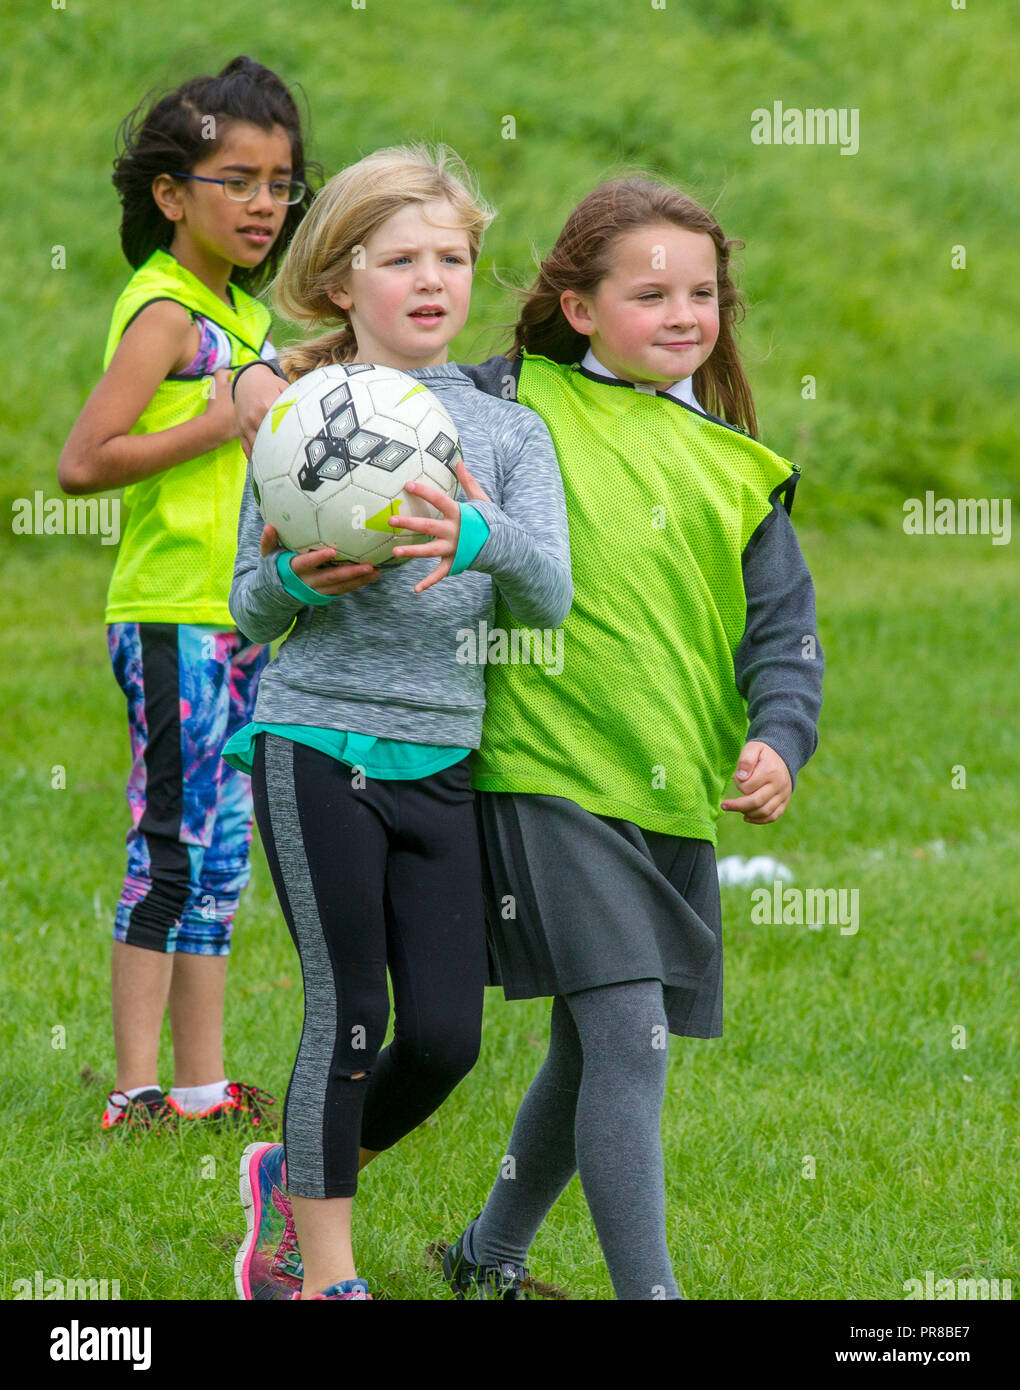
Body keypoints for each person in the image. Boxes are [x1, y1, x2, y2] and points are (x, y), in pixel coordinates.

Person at [233, 174, 824, 1301]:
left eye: (704, 293)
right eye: (651, 291)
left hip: (646, 780)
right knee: (613, 1031)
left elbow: (779, 631)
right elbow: (349, 390)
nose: (686, 313)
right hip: (528, 769)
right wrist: (262, 383)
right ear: (579, 306)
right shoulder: (508, 396)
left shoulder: (716, 461)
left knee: (545, 1039)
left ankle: (481, 1249)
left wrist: (781, 737)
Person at [226, 143, 571, 1301]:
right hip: (315, 738)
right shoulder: (300, 416)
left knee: (444, 1037)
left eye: (456, 259)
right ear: (341, 279)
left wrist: (479, 536)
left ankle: (295, 1175)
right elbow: (249, 600)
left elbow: (550, 590)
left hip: (443, 757)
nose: (435, 280)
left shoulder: (511, 432)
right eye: (404, 259)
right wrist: (299, 583)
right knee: (351, 1009)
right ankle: (329, 1279)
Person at [57, 56, 314, 1133]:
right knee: (166, 840)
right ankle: (133, 1088)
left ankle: (203, 1087)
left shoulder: (236, 312)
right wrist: (217, 418)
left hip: (241, 614)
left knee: (221, 852)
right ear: (173, 194)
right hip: (170, 615)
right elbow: (85, 459)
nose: (263, 204)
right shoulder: (165, 310)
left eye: (280, 183)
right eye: (237, 180)